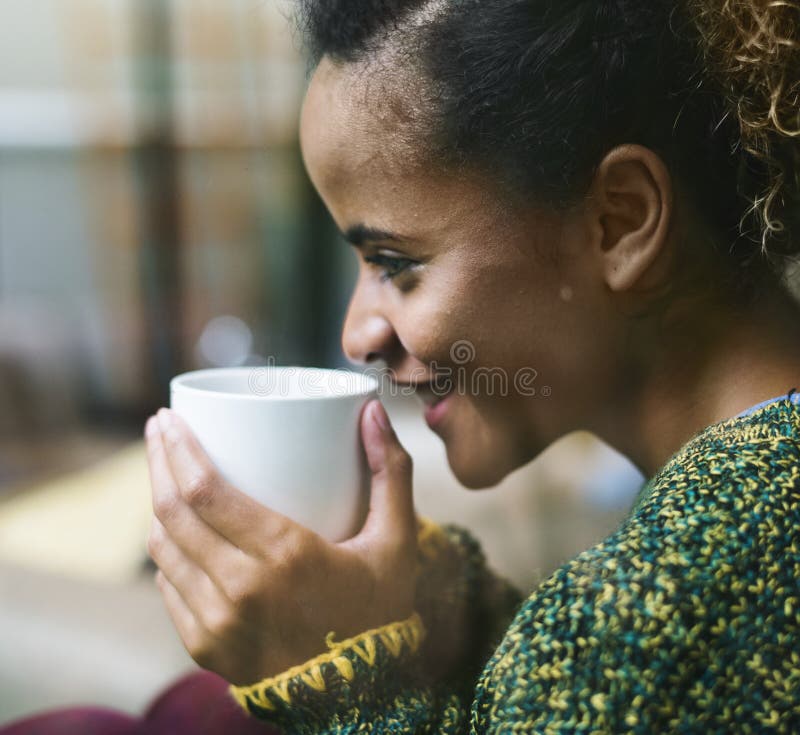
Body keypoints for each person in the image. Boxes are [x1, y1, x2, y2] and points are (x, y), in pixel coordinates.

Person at [142, 0, 800, 733]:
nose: (357, 335)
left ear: (620, 220)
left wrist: (342, 683)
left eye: (396, 262)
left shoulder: (672, 595)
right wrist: (434, 600)